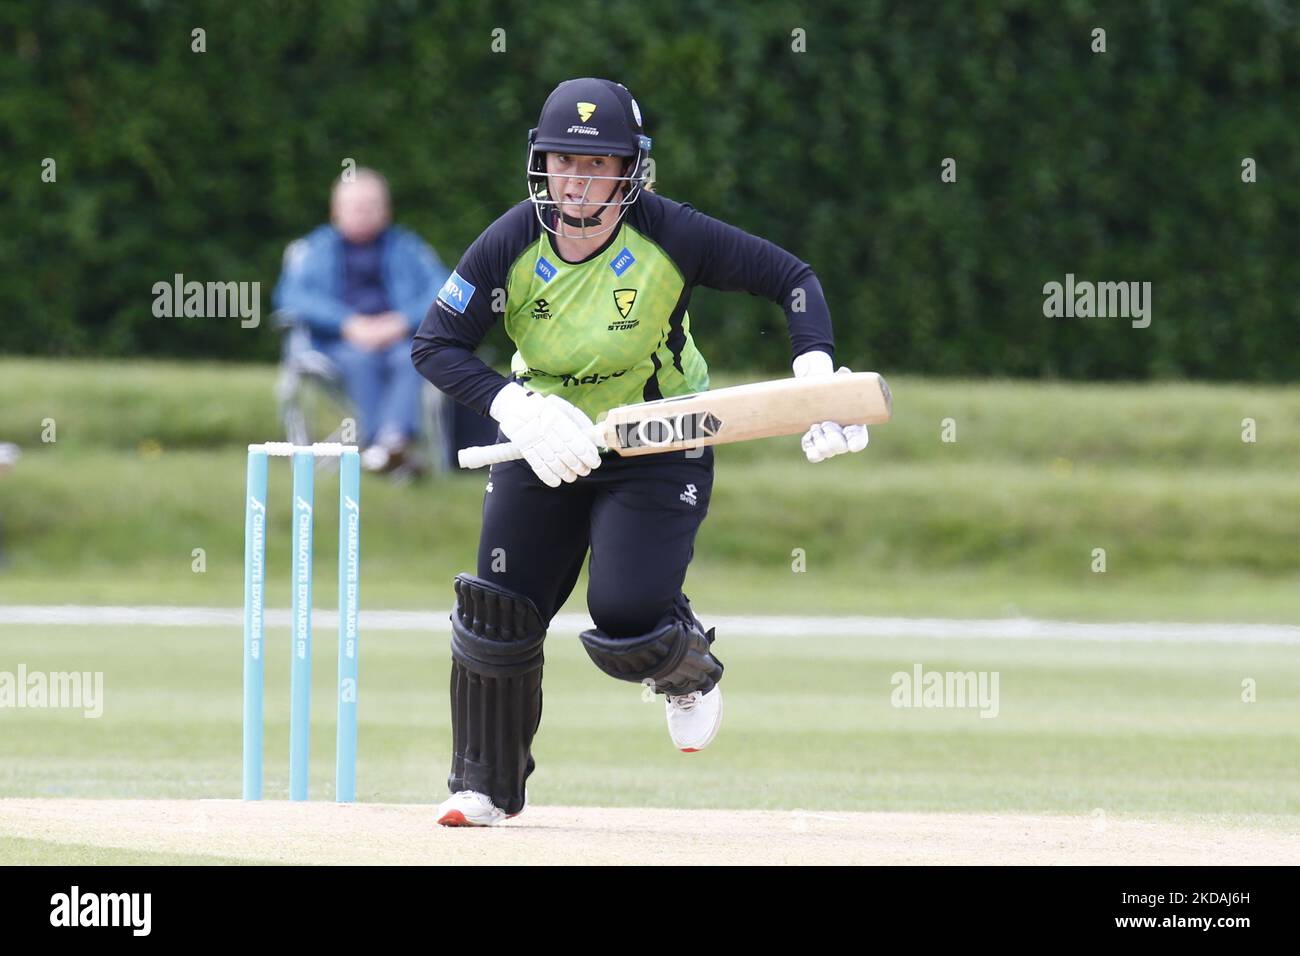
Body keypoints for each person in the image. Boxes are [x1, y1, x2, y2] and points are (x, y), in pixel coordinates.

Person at [411, 77, 871, 827]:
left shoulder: (671, 234)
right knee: (498, 608)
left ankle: (685, 667)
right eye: (564, 162)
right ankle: (484, 787)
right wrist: (513, 406)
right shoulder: (510, 242)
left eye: (598, 165)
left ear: (631, 171)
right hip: (549, 436)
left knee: (625, 614)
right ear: (542, 165)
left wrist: (813, 372)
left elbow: (792, 279)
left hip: (658, 438)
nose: (579, 181)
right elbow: (435, 344)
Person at [274, 169, 448, 473]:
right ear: (336, 211)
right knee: (361, 359)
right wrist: (347, 323)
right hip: (336, 345)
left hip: (399, 339)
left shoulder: (407, 248)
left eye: (372, 206)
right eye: (356, 207)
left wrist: (400, 322)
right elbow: (291, 297)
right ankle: (388, 448)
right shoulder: (314, 249)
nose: (364, 214)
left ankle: (389, 442)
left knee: (415, 355)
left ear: (387, 210)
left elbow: (445, 289)